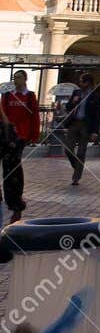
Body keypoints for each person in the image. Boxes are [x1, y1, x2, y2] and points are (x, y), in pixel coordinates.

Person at [1, 70, 40, 224]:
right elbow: (3, 112)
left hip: (20, 136)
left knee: (12, 168)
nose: (16, 80)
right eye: (14, 77)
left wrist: (33, 135)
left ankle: (15, 204)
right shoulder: (7, 95)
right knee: (7, 168)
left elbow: (34, 115)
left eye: (19, 77)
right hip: (5, 135)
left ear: (25, 79)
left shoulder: (29, 97)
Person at [60, 73, 100, 187]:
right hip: (74, 123)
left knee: (81, 152)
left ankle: (76, 177)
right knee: (68, 149)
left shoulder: (95, 96)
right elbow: (68, 107)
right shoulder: (76, 93)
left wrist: (95, 132)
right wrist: (73, 101)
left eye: (82, 81)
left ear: (88, 83)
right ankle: (77, 167)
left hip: (86, 126)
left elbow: (97, 115)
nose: (80, 83)